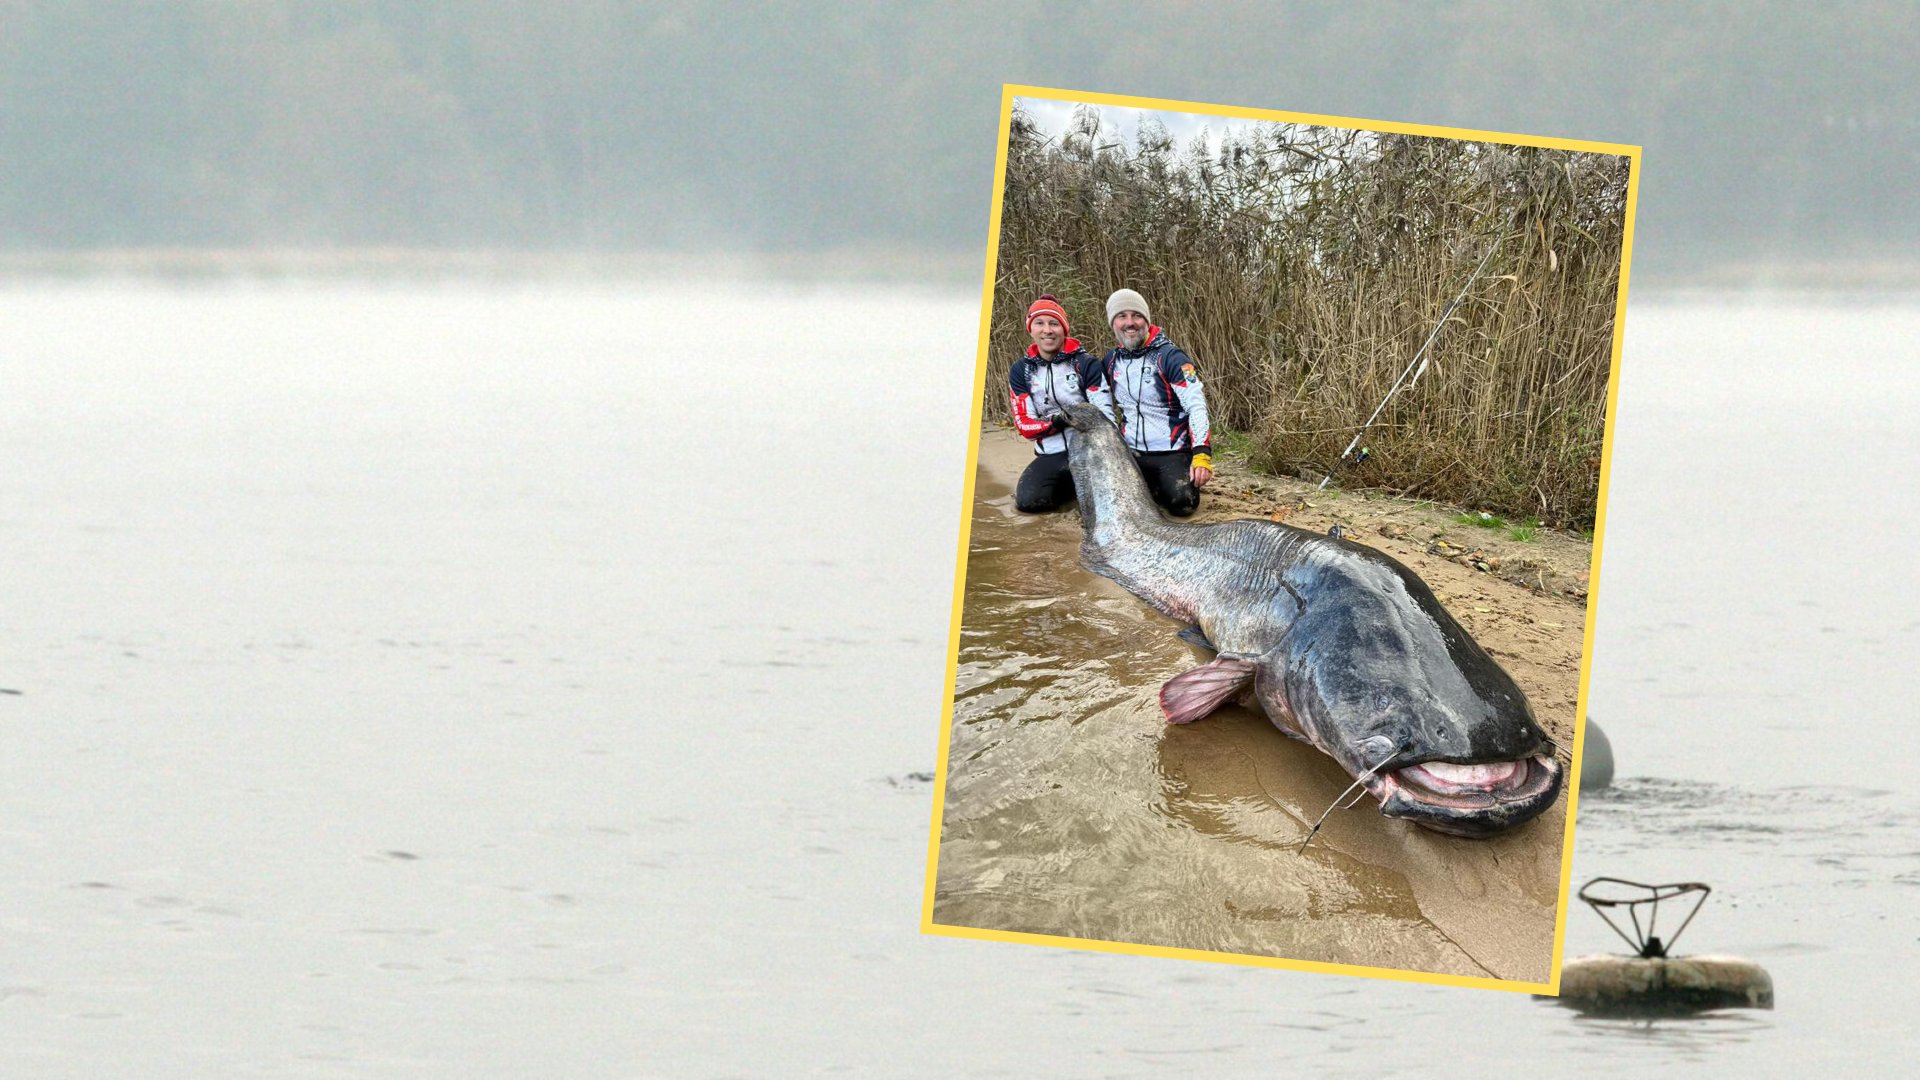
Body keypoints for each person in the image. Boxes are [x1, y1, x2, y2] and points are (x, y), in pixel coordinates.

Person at [1086, 288, 1213, 516]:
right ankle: (1151, 487)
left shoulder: (1171, 357)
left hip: (1172, 451)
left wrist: (1201, 455)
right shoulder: (1110, 361)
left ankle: (1161, 486)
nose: (1130, 323)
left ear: (1146, 320)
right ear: (1113, 323)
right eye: (1121, 316)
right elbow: (1099, 407)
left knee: (1182, 504)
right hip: (1131, 451)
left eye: (1136, 315)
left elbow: (1197, 407)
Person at [1007, 294, 1097, 512]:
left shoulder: (1086, 363)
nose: (1047, 330)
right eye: (1040, 323)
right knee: (1028, 503)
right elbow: (1025, 426)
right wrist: (1057, 422)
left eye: (1054, 323)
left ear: (1064, 329)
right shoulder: (1021, 371)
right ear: (1031, 329)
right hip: (1051, 455)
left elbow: (1104, 417)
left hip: (1089, 454)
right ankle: (1069, 490)